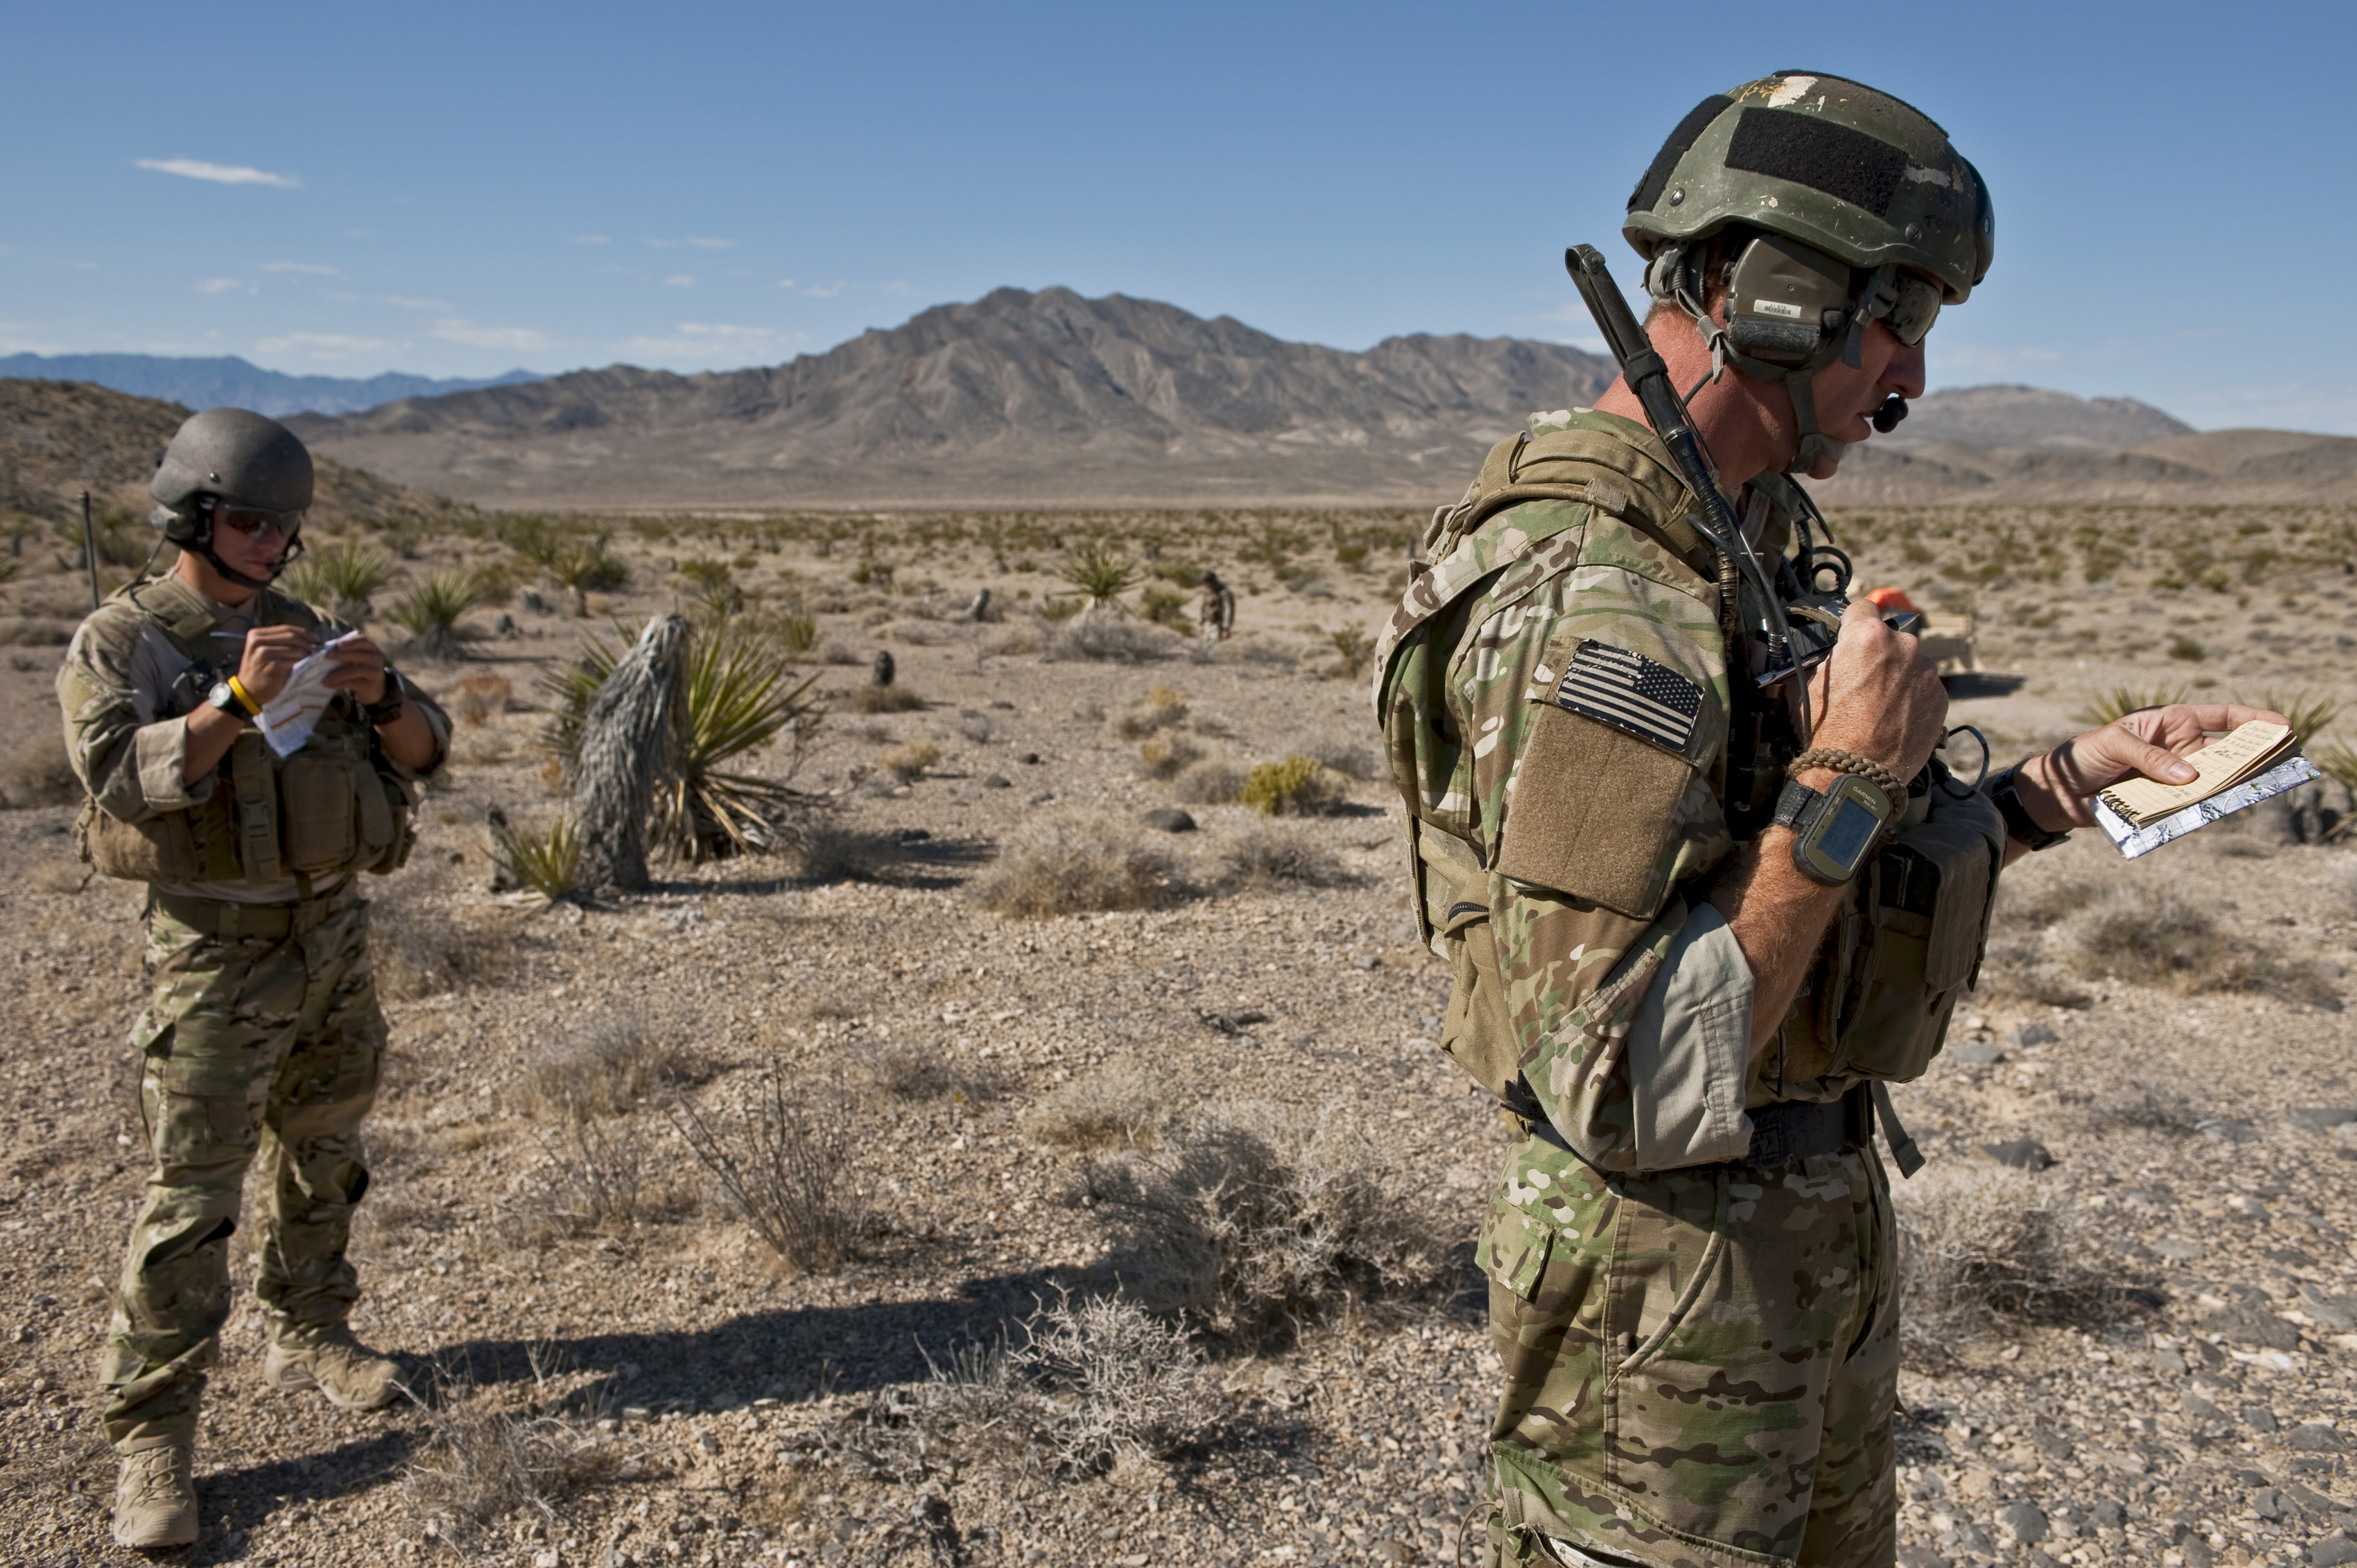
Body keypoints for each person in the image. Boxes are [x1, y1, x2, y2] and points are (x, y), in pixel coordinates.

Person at [1374, 73, 2281, 1568]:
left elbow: (1812, 874)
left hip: (1808, 1253)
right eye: (1898, 321)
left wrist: (2072, 782)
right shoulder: (1600, 598)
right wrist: (1849, 777)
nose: (1910, 379)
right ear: (1780, 296)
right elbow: (1622, 1078)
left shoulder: (1750, 538)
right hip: (1664, 1306)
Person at [58, 408, 450, 1550]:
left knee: (325, 1151)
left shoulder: (314, 630)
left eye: (284, 528)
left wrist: (381, 699)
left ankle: (311, 1327)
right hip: (214, 954)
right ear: (191, 516)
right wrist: (226, 707)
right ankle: (153, 1434)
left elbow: (426, 752)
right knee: (193, 1197)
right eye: (247, 522)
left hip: (331, 938)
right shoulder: (122, 640)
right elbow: (112, 779)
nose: (270, 546)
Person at [1197, 569, 1236, 642]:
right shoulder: (1208, 592)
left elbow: (1228, 611)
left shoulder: (1224, 593)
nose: (1207, 585)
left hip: (1218, 626)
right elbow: (1204, 607)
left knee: (1214, 649)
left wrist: (1226, 628)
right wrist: (1201, 623)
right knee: (1205, 649)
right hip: (1208, 625)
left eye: (1208, 583)